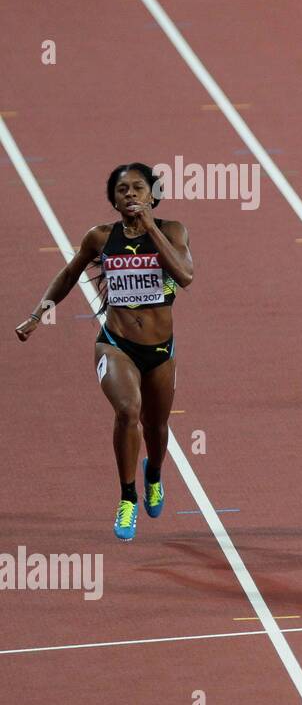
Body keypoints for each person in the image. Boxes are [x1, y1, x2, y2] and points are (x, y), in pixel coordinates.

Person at [15, 163, 194, 540]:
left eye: (139, 188)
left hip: (161, 349)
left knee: (157, 426)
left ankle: (154, 474)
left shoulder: (172, 231)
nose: (130, 194)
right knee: (128, 410)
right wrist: (37, 315)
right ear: (113, 199)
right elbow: (68, 275)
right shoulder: (100, 237)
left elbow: (185, 276)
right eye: (123, 189)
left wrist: (150, 230)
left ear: (153, 194)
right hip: (116, 344)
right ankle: (127, 497)